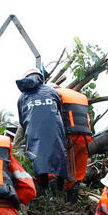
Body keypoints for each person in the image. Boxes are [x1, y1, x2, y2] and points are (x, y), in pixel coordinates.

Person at [15, 68, 68, 198]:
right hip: (56, 132)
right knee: (60, 159)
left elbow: (22, 120)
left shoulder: (22, 98)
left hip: (33, 134)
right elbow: (60, 112)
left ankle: (42, 193)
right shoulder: (52, 92)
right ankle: (60, 194)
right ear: (41, 78)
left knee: (38, 161)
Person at [54, 85, 93, 204]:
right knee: (78, 171)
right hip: (86, 136)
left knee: (62, 167)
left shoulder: (54, 94)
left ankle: (59, 200)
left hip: (71, 136)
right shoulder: (79, 96)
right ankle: (72, 202)